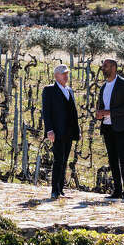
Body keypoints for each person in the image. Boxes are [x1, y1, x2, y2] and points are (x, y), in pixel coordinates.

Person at [94, 58, 124, 200]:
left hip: (121, 127)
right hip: (107, 127)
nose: (103, 67)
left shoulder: (123, 84)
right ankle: (117, 191)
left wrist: (109, 112)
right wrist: (99, 113)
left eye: (105, 65)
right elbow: (100, 106)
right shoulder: (103, 87)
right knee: (112, 160)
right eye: (103, 65)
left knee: (123, 159)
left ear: (113, 67)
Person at [42, 64, 79, 199]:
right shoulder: (49, 90)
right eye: (63, 73)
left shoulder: (69, 90)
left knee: (64, 160)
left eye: (67, 73)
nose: (66, 76)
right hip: (57, 131)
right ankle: (54, 190)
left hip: (69, 131)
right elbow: (46, 112)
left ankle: (61, 188)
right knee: (58, 159)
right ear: (56, 76)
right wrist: (49, 130)